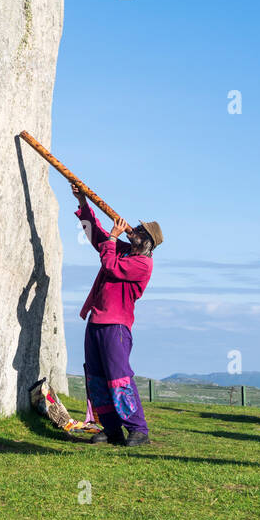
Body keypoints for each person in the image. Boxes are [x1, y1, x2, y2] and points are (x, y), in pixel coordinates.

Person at [71, 184, 164, 447]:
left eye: (139, 231)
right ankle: (112, 430)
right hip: (97, 321)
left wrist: (113, 238)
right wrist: (84, 204)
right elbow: (98, 238)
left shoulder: (142, 264)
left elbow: (109, 264)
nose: (133, 232)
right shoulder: (125, 250)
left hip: (116, 326)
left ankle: (138, 430)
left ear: (147, 241)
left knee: (119, 376)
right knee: (97, 378)